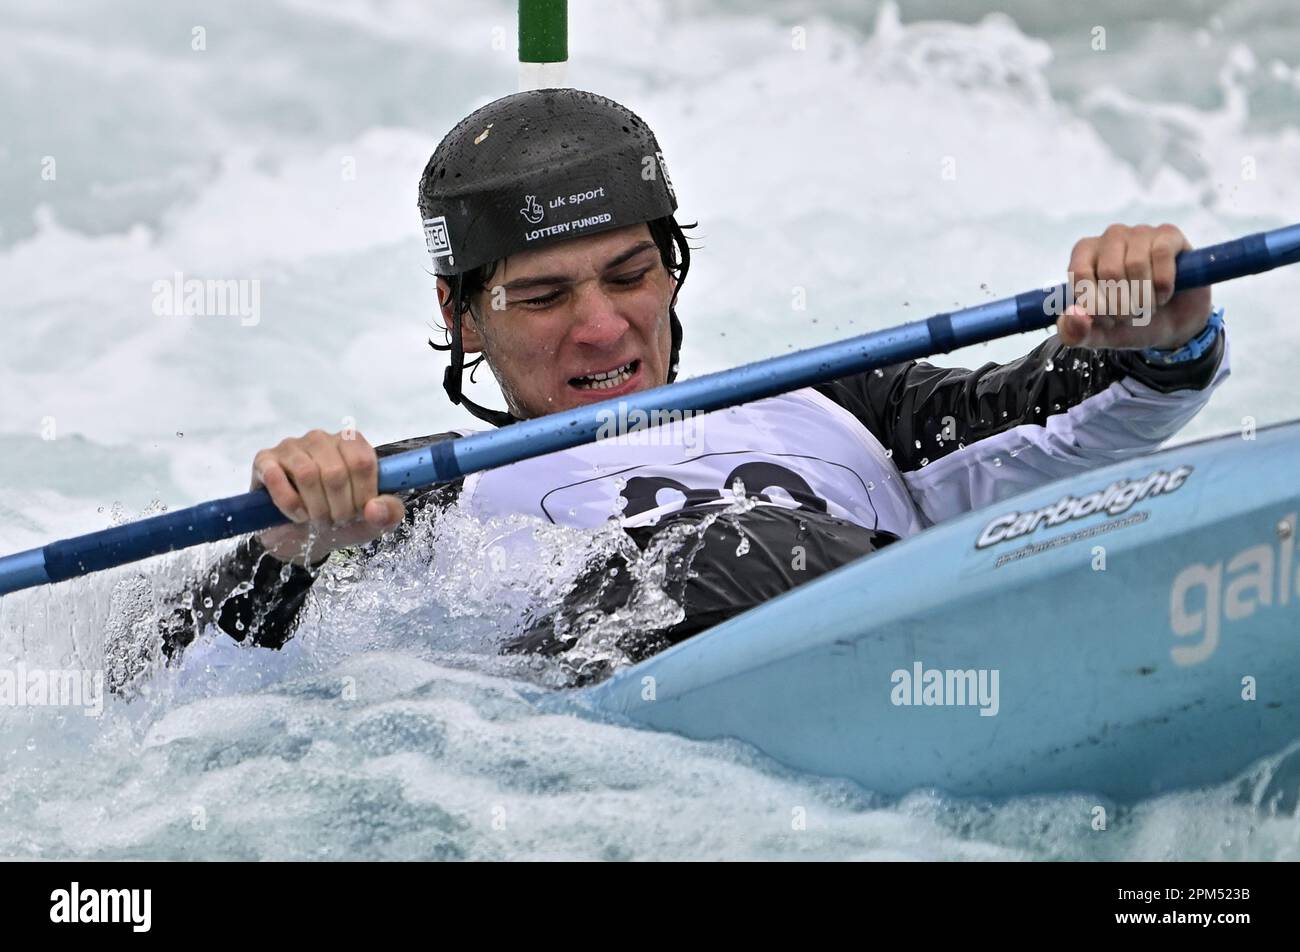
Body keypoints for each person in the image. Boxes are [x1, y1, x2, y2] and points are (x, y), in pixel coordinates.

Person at [155, 87, 1229, 684]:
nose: (602, 324)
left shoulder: (843, 407)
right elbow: (174, 688)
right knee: (712, 546)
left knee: (736, 537)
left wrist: (1156, 334)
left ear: (674, 266)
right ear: (459, 316)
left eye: (631, 274)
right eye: (542, 298)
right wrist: (282, 551)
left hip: (924, 666)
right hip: (622, 753)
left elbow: (1057, 411)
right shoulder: (419, 505)